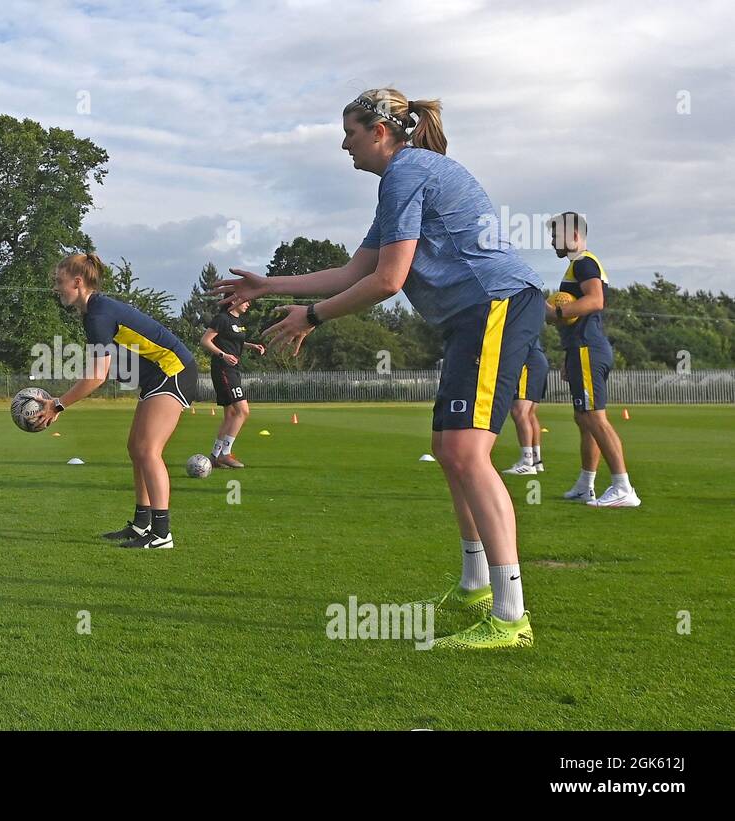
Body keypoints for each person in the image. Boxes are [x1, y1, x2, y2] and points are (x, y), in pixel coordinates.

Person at [216, 88, 544, 649]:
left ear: (379, 131)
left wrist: (312, 318)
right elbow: (354, 271)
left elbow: (389, 281)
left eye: (349, 131)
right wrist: (268, 285)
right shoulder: (403, 180)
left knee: (467, 452)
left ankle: (511, 617)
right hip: (474, 315)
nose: (344, 143)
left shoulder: (406, 172)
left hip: (496, 303)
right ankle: (474, 586)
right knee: (449, 451)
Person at [31, 253, 198, 549]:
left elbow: (98, 375)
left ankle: (161, 534)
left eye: (59, 282)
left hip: (173, 371)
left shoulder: (98, 314)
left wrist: (59, 404)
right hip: (157, 377)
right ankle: (141, 524)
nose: (56, 288)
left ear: (78, 282)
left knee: (148, 450)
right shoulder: (94, 312)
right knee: (136, 448)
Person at [547, 212, 640, 508]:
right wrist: (569, 356)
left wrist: (556, 313)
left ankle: (623, 487)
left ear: (573, 235)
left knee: (594, 418)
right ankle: (586, 484)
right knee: (583, 417)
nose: (551, 241)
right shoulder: (578, 266)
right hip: (582, 348)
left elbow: (595, 301)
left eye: (555, 235)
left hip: (589, 347)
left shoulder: (584, 262)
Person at [201, 301, 266, 468]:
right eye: (245, 300)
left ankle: (215, 456)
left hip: (233, 370)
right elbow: (205, 340)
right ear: (233, 301)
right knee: (242, 411)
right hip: (223, 369)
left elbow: (232, 339)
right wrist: (223, 355)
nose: (248, 303)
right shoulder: (222, 318)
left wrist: (251, 346)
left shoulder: (237, 321)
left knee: (230, 414)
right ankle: (225, 453)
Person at [500, 338, 548, 475]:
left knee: (519, 412)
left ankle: (527, 462)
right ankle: (536, 461)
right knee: (529, 414)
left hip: (527, 361)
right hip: (537, 360)